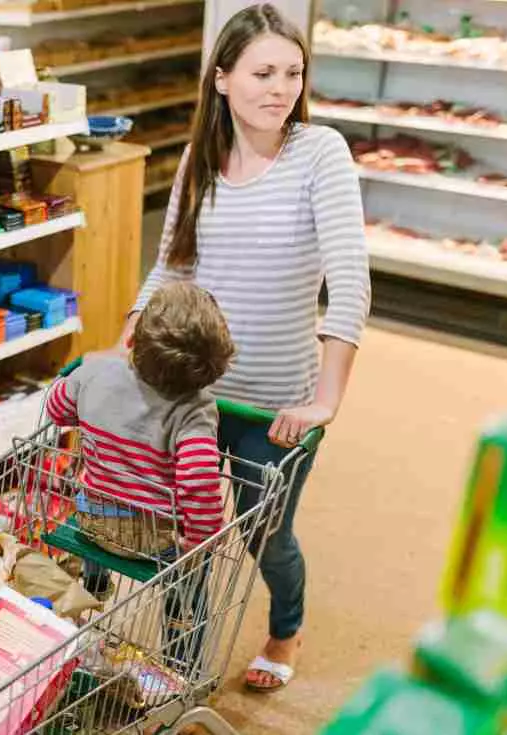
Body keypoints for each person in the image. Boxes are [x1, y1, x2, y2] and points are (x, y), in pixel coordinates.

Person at [125, 3, 371, 692]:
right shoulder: (198, 162)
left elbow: (350, 277)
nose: (281, 88)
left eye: (293, 72)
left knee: (264, 534)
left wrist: (325, 396)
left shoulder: (320, 153)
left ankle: (284, 629)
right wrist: (124, 347)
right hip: (192, 391)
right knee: (182, 532)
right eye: (263, 72)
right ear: (222, 77)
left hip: (277, 402)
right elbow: (170, 268)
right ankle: (181, 661)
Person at [46, 281, 236, 560]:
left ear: (131, 340)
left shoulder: (96, 370)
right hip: (152, 539)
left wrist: (91, 400)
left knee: (93, 472)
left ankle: (95, 580)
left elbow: (57, 410)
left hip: (90, 518)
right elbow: (197, 483)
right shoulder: (196, 409)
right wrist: (203, 538)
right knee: (217, 531)